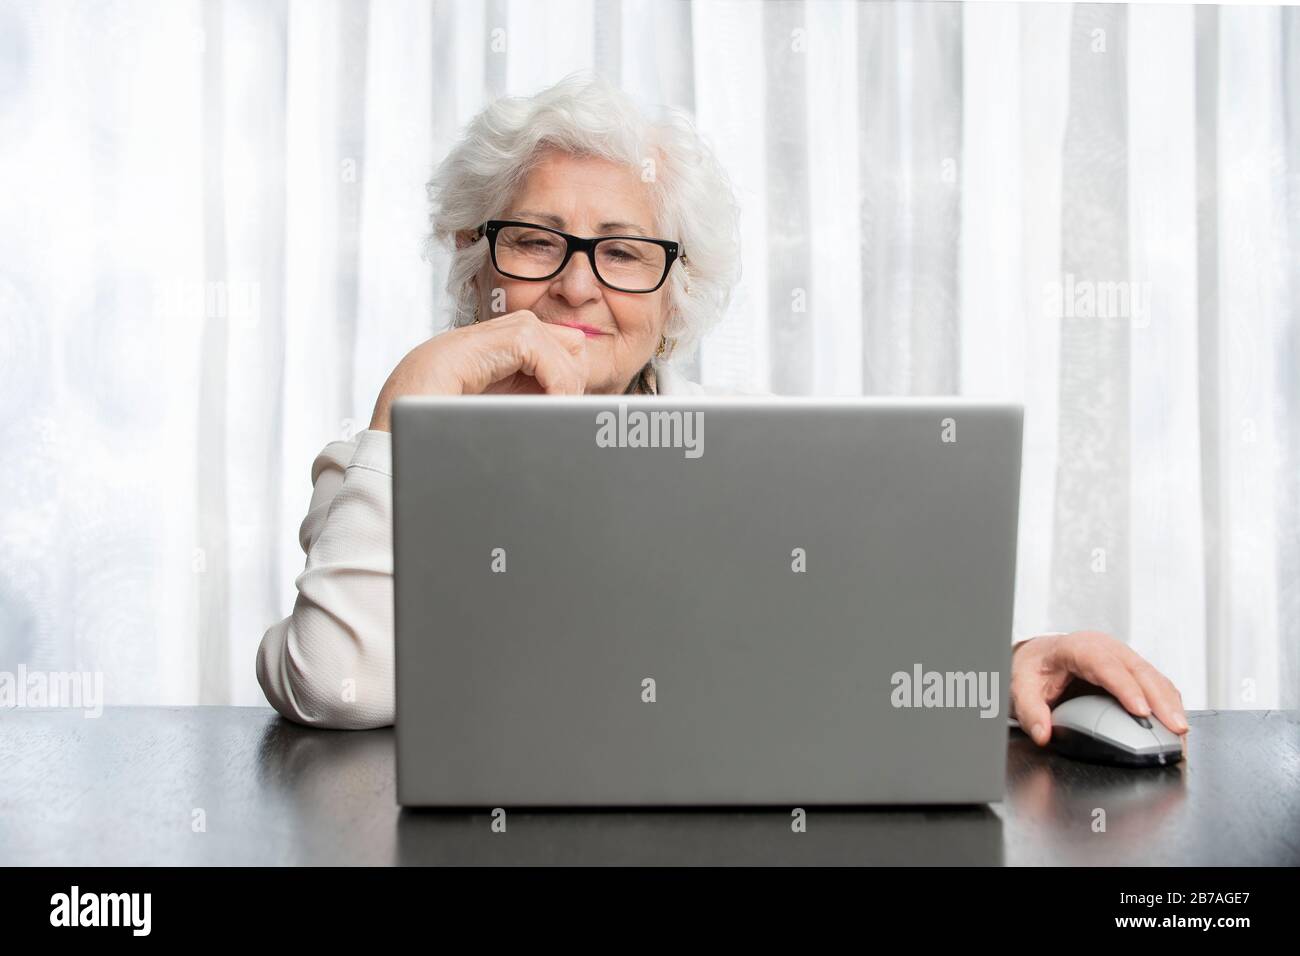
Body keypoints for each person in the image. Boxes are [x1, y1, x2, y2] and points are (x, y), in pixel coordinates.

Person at [257, 73, 1188, 748]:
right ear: (477, 263)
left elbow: (853, 649)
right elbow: (332, 687)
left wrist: (1019, 659)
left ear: (674, 297)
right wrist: (406, 398)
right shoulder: (380, 460)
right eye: (537, 242)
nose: (579, 286)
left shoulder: (756, 450)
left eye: (624, 254)